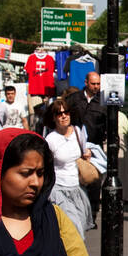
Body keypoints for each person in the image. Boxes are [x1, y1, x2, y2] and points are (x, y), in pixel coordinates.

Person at [44, 98, 94, 237]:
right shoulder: (51, 139)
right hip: (59, 189)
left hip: (77, 188)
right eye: (59, 114)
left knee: (81, 226)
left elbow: (85, 151)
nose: (64, 116)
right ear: (54, 118)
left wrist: (88, 154)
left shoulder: (78, 132)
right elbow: (45, 166)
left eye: (66, 112)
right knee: (75, 228)